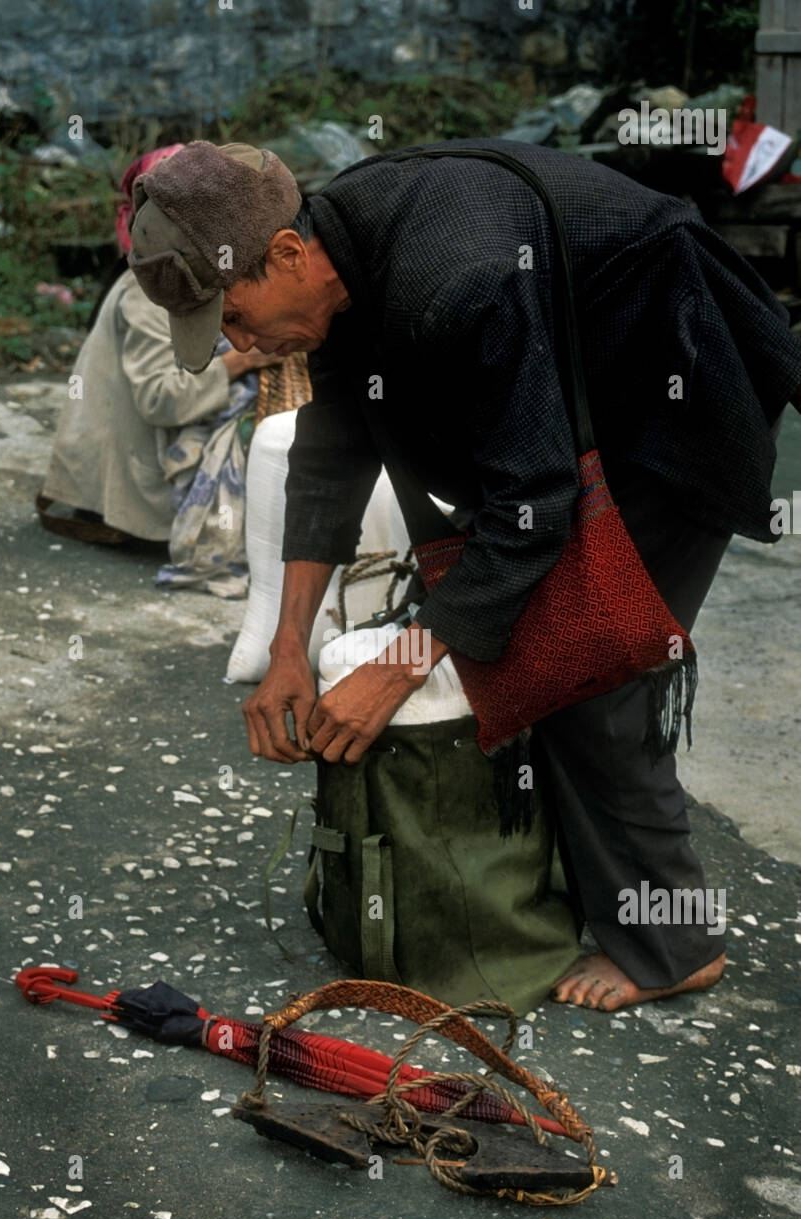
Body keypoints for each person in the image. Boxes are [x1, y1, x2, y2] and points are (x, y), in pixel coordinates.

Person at [127, 138, 801, 1011]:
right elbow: (332, 457)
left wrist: (404, 662)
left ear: (287, 254)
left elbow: (537, 502)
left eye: (233, 317)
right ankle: (574, 883)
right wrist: (288, 645)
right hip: (570, 396)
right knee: (513, 636)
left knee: (586, 662)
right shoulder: (335, 265)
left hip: (676, 390)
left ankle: (673, 945)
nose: (238, 342)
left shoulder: (459, 272)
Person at [40, 144, 283, 594]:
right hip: (127, 489)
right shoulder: (150, 289)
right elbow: (160, 399)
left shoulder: (175, 269)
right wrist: (242, 359)